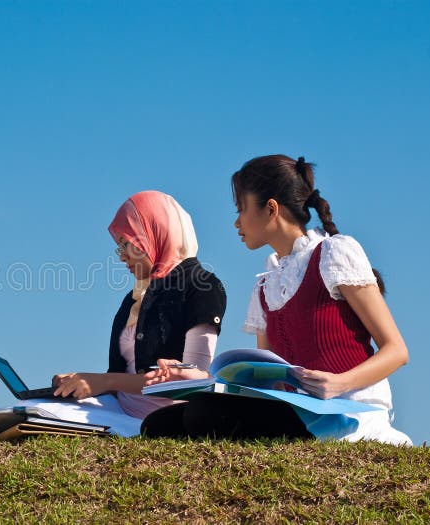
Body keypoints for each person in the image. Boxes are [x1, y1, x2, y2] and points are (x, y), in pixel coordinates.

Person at [145, 155, 411, 445]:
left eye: (241, 209)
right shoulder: (266, 284)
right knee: (160, 423)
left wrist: (338, 383)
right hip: (300, 411)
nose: (236, 222)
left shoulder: (334, 253)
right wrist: (195, 378)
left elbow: (396, 351)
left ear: (271, 208)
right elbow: (266, 379)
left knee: (204, 415)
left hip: (350, 410)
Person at [51, 190, 227, 411]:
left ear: (153, 233)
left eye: (126, 244)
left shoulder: (202, 286)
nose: (121, 256)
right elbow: (119, 374)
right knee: (38, 410)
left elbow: (194, 380)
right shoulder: (134, 299)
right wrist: (79, 382)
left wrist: (104, 381)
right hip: (116, 411)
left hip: (165, 417)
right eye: (119, 247)